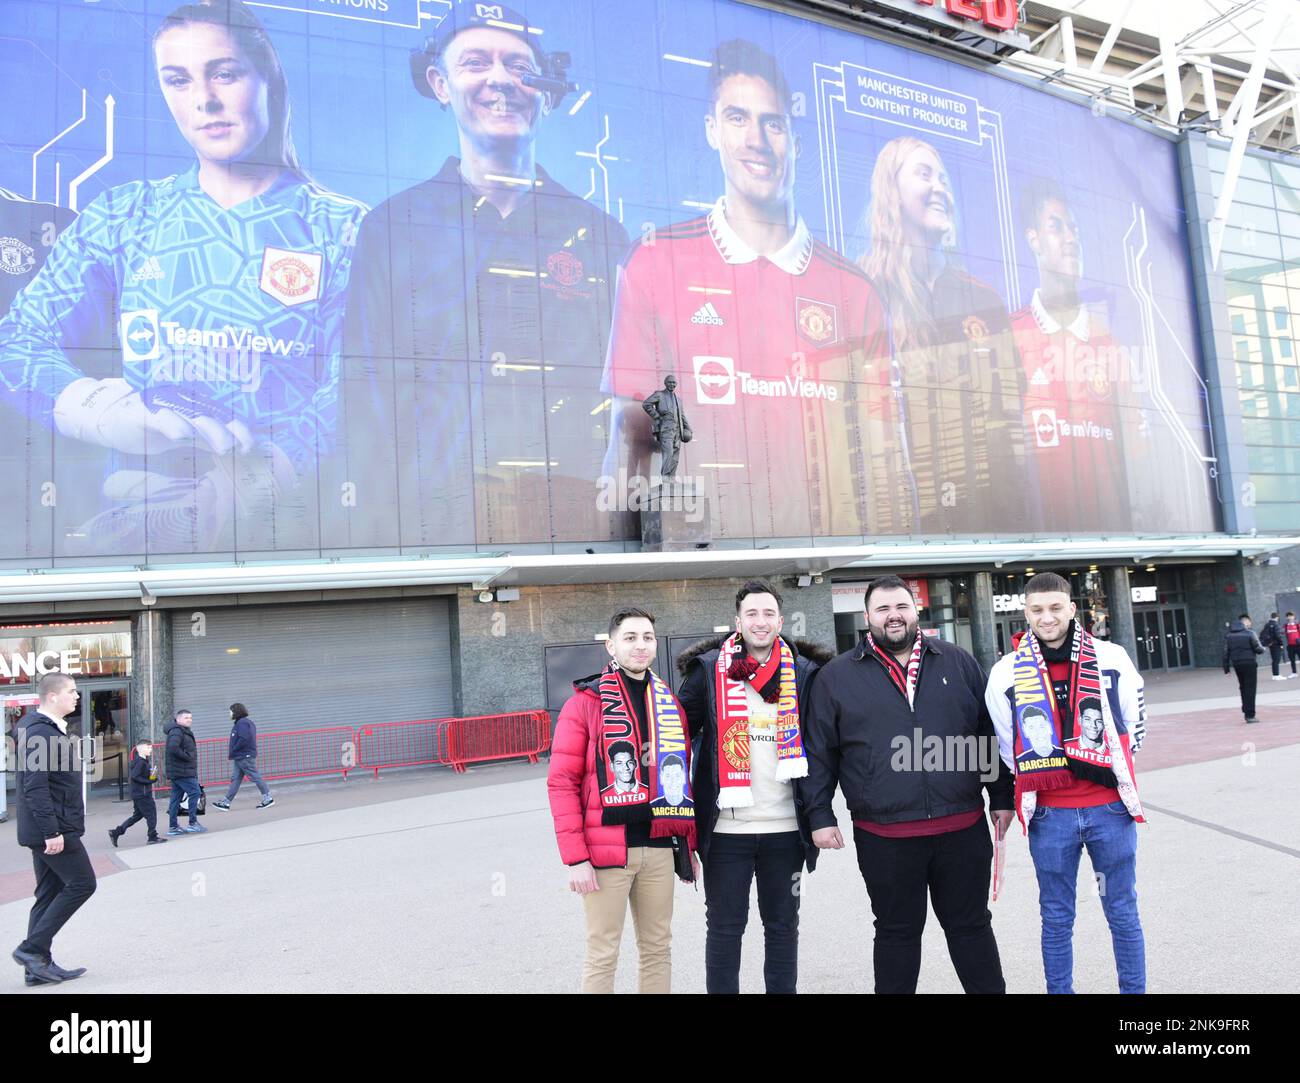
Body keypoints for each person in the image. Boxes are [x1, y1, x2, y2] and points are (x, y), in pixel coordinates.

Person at [0, 0, 366, 554]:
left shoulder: (343, 229)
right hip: (135, 525)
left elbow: (360, 383)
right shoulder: (124, 215)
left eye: (225, 72)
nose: (204, 100)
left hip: (294, 535)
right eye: (177, 79)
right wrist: (98, 410)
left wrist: (269, 471)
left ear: (267, 75)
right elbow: (18, 341)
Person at [339, 0, 628, 547]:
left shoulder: (601, 236)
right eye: (475, 62)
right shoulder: (392, 228)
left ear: (543, 89)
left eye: (519, 66)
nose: (501, 80)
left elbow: (624, 402)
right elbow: (367, 400)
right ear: (440, 83)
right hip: (437, 525)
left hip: (576, 522)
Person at [602, 38, 896, 540]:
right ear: (712, 130)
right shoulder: (654, 261)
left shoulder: (854, 289)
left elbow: (886, 455)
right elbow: (627, 437)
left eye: (773, 123)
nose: (756, 138)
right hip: (694, 548)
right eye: (737, 118)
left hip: (828, 552)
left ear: (794, 141)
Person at [803, 575, 1012, 994]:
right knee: (897, 934)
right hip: (885, 836)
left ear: (916, 611)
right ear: (867, 617)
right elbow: (819, 752)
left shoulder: (958, 661)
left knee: (971, 928)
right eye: (882, 609)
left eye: (901, 606)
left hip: (962, 829)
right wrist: (820, 815)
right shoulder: (837, 676)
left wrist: (1001, 796)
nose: (893, 616)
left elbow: (986, 734)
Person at [985, 572, 1148, 994]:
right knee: (1056, 916)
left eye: (1056, 607)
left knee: (1123, 911)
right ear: (1026, 613)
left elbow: (1135, 725)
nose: (1047, 617)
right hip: (1050, 816)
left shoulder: (1112, 657)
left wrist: (1104, 766)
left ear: (1072, 609)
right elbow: (1007, 745)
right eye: (1037, 609)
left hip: (1109, 809)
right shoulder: (1006, 673)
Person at [860, 136, 1030, 534]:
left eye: (943, 178)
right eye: (924, 174)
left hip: (988, 514)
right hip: (900, 518)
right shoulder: (864, 288)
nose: (939, 187)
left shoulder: (983, 298)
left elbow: (1009, 415)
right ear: (892, 191)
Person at [675, 579, 832, 994]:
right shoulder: (708, 670)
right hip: (726, 831)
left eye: (767, 614)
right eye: (751, 614)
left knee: (782, 928)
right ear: (737, 621)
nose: (760, 622)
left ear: (780, 621)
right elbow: (675, 734)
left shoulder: (804, 674)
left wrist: (820, 815)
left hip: (786, 829)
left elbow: (822, 747)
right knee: (725, 930)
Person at [546, 607, 697, 993]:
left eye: (647, 637)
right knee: (602, 952)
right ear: (611, 645)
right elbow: (561, 781)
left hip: (660, 847)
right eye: (630, 637)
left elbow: (681, 779)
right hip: (606, 853)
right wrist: (576, 857)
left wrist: (688, 845)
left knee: (657, 948)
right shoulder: (585, 703)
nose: (640, 645)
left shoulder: (669, 705)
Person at [1010, 178, 1132, 532]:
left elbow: (1135, 455)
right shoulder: (1009, 336)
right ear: (1033, 238)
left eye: (1074, 229)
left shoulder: (1110, 345)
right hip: (1030, 532)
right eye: (1056, 227)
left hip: (1112, 532)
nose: (1070, 238)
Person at [11, 672, 94, 986]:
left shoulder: (45, 730)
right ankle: (31, 951)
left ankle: (37, 967)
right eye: (71, 691)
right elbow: (35, 787)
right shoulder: (40, 734)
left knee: (48, 894)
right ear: (52, 697)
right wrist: (51, 832)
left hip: (51, 827)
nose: (76, 696)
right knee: (83, 883)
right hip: (54, 830)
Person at [212, 702, 274, 809]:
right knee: (236, 779)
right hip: (240, 756)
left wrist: (234, 749)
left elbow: (244, 739)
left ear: (236, 712)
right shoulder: (243, 723)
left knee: (255, 776)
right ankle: (226, 802)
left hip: (244, 756)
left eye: (230, 711)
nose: (229, 714)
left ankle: (267, 798)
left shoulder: (242, 723)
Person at [109, 738, 168, 847]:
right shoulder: (141, 762)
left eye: (150, 747)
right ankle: (152, 837)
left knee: (137, 816)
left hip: (139, 793)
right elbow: (135, 776)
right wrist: (149, 781)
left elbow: (137, 776)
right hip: (143, 794)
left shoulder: (141, 761)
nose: (150, 749)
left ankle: (116, 832)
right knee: (151, 814)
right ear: (140, 749)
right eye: (148, 747)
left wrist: (151, 778)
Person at [165, 708, 207, 835]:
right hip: (182, 771)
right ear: (178, 719)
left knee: (175, 798)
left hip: (179, 771)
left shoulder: (180, 731)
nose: (189, 720)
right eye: (186, 718)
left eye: (190, 718)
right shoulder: (177, 731)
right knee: (195, 793)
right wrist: (187, 756)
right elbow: (173, 747)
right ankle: (192, 823)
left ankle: (173, 827)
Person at [641, 375, 692, 478]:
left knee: (675, 456)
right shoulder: (659, 395)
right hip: (666, 429)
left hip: (677, 431)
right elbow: (646, 404)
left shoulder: (678, 400)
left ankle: (672, 477)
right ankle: (665, 477)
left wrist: (688, 428)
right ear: (665, 383)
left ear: (676, 384)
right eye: (670, 382)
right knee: (668, 453)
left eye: (674, 382)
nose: (672, 384)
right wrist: (657, 416)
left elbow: (682, 416)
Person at [1223, 615, 1264, 723]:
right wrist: (1263, 649)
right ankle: (1250, 714)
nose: (1250, 624)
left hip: (1237, 663)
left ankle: (1246, 709)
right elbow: (1258, 649)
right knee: (1250, 688)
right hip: (1249, 662)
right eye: (1249, 622)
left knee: (1243, 686)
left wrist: (1226, 668)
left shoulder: (1229, 635)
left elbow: (1226, 652)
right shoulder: (1250, 633)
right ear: (1245, 623)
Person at [1259, 612, 1285, 681]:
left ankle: (1274, 675)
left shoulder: (1267, 624)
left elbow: (1262, 633)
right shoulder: (1276, 625)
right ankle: (1276, 675)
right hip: (1276, 644)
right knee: (1276, 660)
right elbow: (1277, 635)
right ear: (1277, 617)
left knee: (1274, 660)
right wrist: (1281, 644)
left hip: (1271, 644)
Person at [1285, 611, 1300, 678]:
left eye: (1291, 616)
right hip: (1290, 646)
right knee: (1292, 660)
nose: (1290, 617)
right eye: (1288, 616)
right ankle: (1294, 673)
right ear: (1287, 617)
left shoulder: (1297, 625)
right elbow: (1282, 633)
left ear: (1294, 617)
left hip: (1298, 645)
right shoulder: (1286, 626)